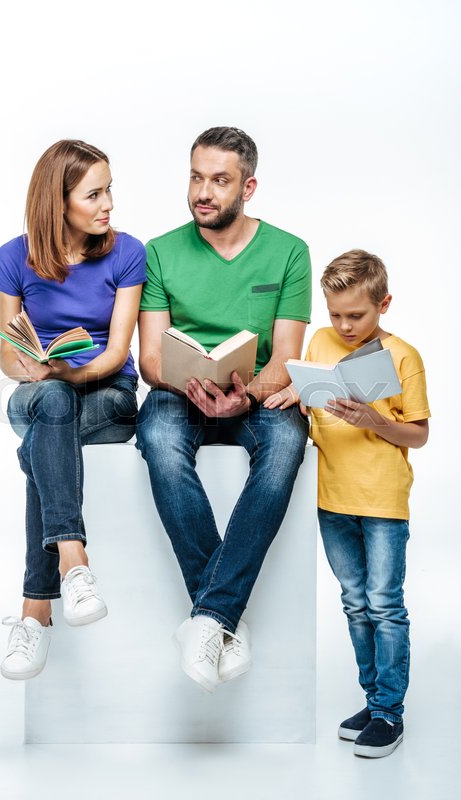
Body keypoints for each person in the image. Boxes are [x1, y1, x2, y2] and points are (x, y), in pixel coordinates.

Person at [136, 126, 311, 693]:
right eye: (196, 177)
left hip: (254, 391)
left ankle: (207, 617)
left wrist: (248, 395)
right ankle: (222, 617)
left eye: (219, 180)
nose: (202, 192)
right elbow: (151, 359)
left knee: (287, 444)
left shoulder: (289, 251)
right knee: (158, 441)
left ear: (248, 187)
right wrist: (189, 383)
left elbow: (286, 357)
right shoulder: (160, 252)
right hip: (180, 391)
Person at [0, 139, 146, 680]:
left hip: (108, 394)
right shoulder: (14, 256)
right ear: (58, 202)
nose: (108, 204)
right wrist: (32, 368)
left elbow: (118, 352)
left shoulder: (127, 252)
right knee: (52, 405)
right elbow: (6, 353)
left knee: (43, 441)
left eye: (109, 190)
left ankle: (35, 612)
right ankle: (75, 565)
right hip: (41, 391)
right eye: (93, 194)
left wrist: (69, 374)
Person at [265, 249, 430, 757]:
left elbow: (419, 434)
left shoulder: (403, 356)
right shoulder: (320, 341)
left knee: (384, 605)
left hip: (382, 500)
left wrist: (374, 421)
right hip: (332, 498)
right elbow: (311, 393)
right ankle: (373, 701)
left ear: (384, 303)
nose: (344, 325)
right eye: (335, 314)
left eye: (355, 315)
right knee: (355, 604)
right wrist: (296, 394)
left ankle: (389, 712)